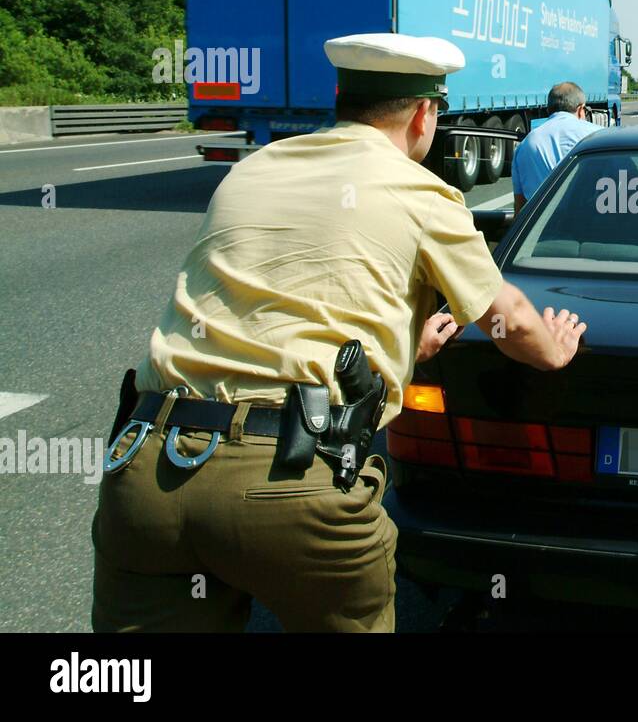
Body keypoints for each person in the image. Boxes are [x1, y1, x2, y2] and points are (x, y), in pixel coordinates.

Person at [92, 33, 587, 632]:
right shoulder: (423, 193)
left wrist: (404, 348)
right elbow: (508, 318)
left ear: (340, 97)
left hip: (146, 470)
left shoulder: (255, 170)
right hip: (291, 480)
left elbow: (285, 306)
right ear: (425, 114)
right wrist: (554, 352)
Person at [511, 81, 602, 210]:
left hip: (543, 227)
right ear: (581, 109)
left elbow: (520, 207)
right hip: (589, 221)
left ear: (549, 109)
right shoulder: (598, 135)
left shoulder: (525, 144)